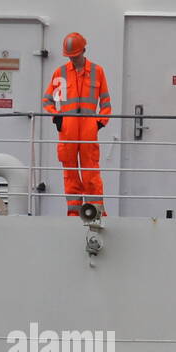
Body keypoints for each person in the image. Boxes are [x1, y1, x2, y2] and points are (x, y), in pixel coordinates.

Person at [43, 32, 112, 216]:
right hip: (67, 130)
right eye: (70, 57)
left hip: (89, 128)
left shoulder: (98, 72)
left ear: (84, 51)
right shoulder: (61, 73)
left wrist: (99, 123)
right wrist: (57, 117)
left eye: (75, 56)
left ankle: (95, 213)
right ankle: (73, 215)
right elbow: (48, 100)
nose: (73, 59)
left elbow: (106, 103)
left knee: (91, 174)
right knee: (70, 174)